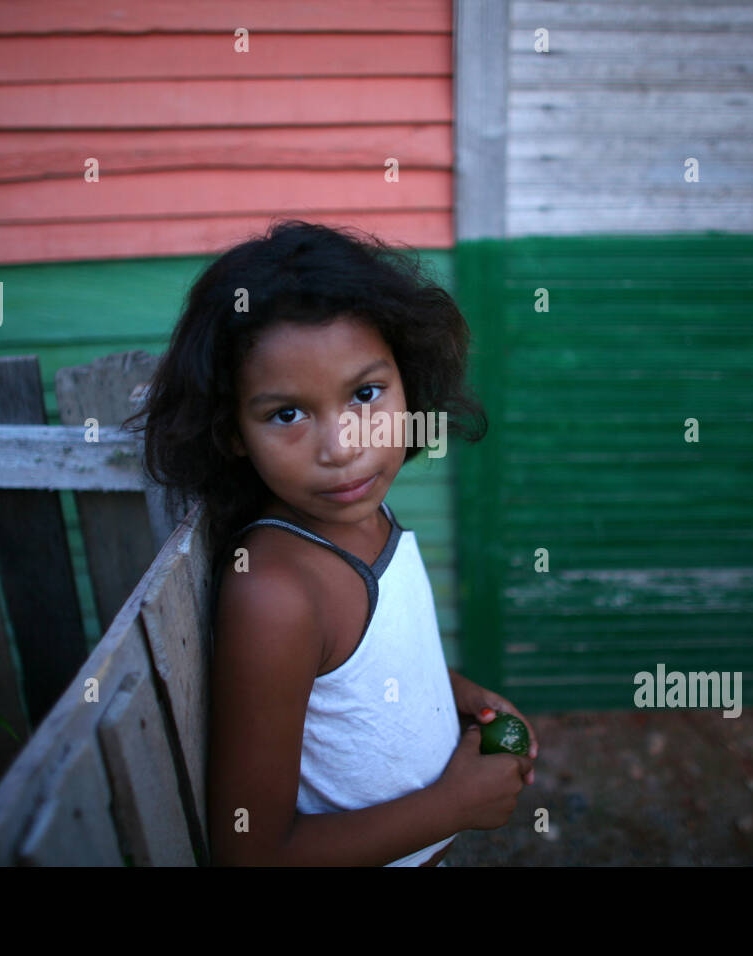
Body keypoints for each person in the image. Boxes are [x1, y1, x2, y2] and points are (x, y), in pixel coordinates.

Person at [128, 219, 539, 866]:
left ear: (409, 380)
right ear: (232, 430)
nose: (343, 447)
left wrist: (461, 695)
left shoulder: (361, 511)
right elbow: (250, 853)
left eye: (366, 394)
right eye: (286, 414)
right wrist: (456, 806)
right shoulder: (275, 594)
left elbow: (365, 668)